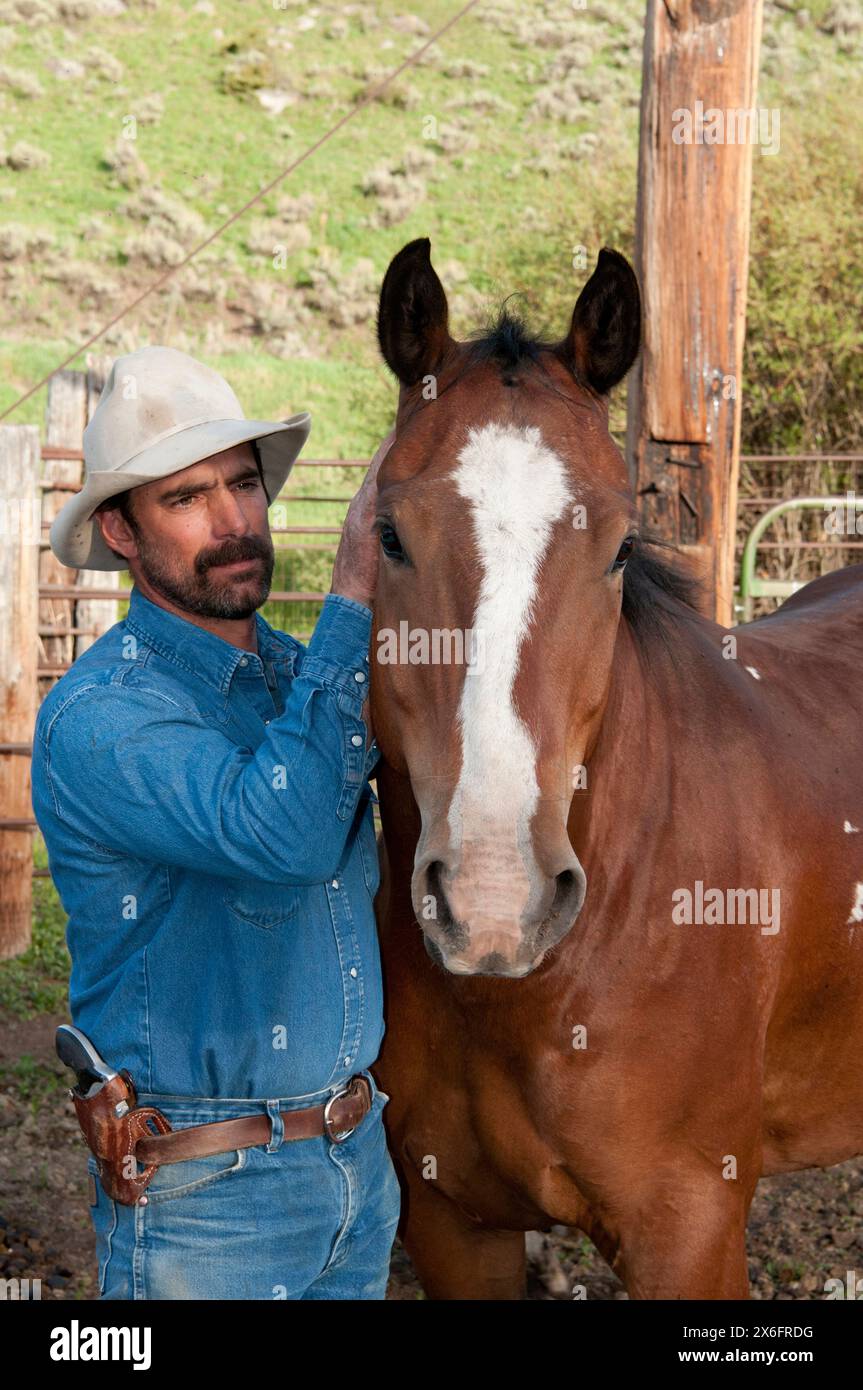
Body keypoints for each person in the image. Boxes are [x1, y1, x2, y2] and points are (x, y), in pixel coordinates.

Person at [31, 345, 400, 1300]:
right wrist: (357, 588)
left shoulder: (296, 679)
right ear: (119, 530)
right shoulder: (102, 715)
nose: (235, 522)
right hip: (206, 1199)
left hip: (356, 1171)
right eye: (186, 499)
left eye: (244, 484)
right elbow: (285, 833)